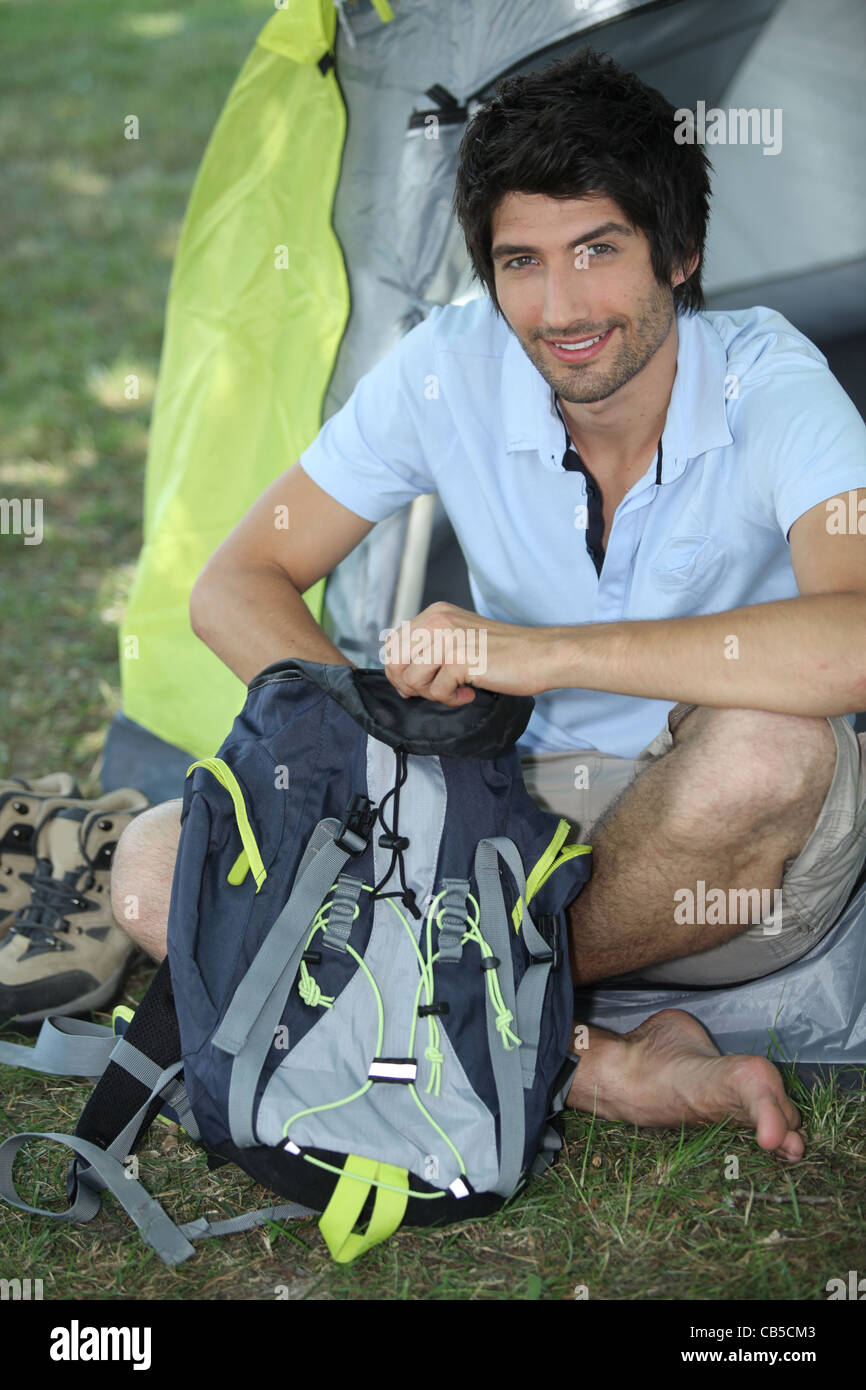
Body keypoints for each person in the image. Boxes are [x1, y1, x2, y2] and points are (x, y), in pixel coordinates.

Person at [109, 49, 864, 1162]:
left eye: (596, 252)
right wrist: (379, 749)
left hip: (712, 851)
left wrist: (539, 652)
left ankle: (459, 1008)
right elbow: (237, 580)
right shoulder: (447, 366)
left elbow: (850, 641)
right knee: (152, 872)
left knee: (767, 750)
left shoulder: (772, 380)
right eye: (521, 261)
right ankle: (585, 1056)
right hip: (507, 814)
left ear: (680, 252)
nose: (559, 308)